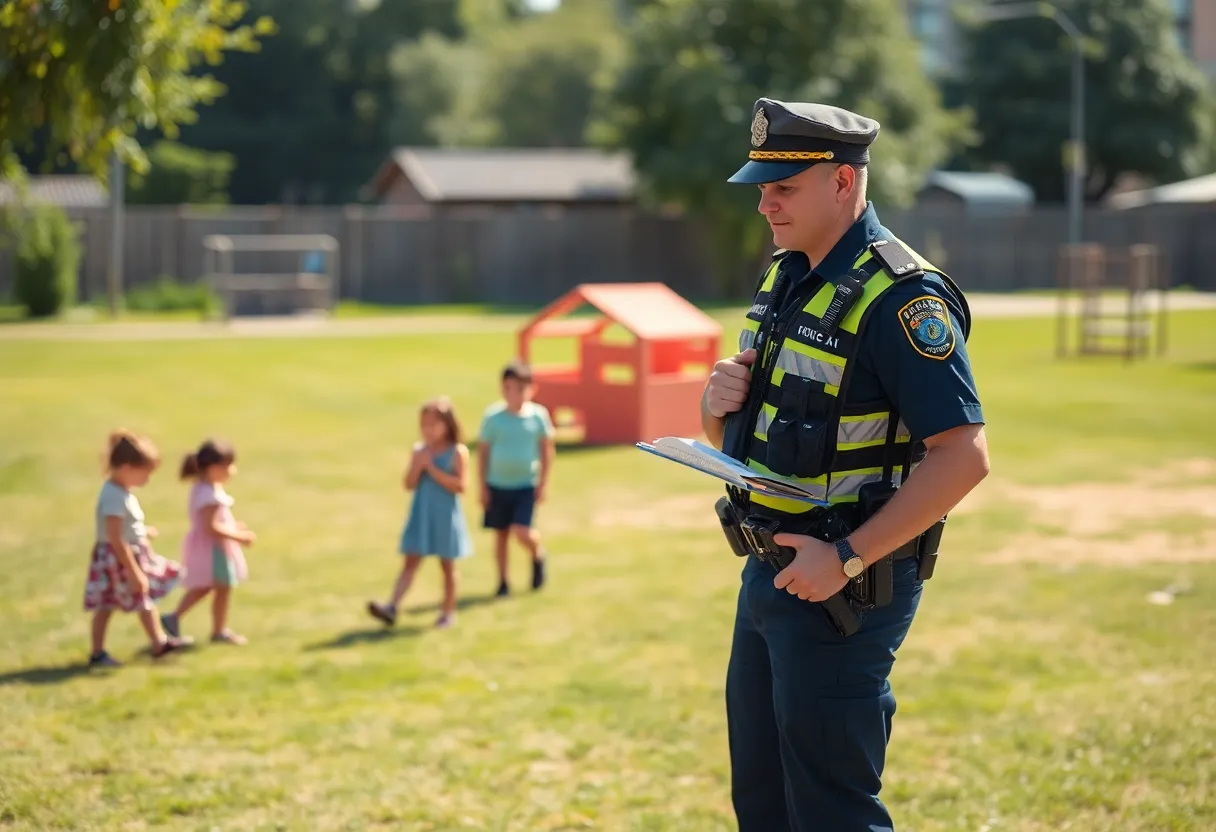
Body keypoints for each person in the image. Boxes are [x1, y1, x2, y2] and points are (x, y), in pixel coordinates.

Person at [700, 98, 991, 831]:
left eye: (783, 188)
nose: (765, 205)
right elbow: (758, 435)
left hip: (843, 596)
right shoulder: (788, 276)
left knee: (830, 811)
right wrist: (714, 407)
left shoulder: (903, 298)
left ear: (842, 182)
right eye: (762, 188)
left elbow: (963, 458)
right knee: (763, 803)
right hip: (769, 574)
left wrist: (848, 558)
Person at [83, 430, 191, 667]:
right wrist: (134, 571)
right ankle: (100, 653)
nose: (147, 479)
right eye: (145, 473)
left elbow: (125, 527)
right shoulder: (114, 496)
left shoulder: (121, 492)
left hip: (126, 554)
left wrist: (143, 532)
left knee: (139, 601)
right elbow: (114, 536)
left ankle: (158, 642)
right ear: (125, 467)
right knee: (110, 604)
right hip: (119, 559)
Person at [368, 397, 473, 629]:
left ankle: (447, 612)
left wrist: (432, 469)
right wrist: (418, 464)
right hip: (422, 515)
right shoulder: (420, 451)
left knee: (447, 567)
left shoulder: (458, 452)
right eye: (424, 425)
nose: (428, 430)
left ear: (448, 424)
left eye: (433, 424)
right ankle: (392, 606)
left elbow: (461, 486)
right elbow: (408, 484)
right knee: (410, 562)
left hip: (446, 517)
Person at [162, 439, 256, 645]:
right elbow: (211, 527)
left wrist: (233, 527)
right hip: (214, 550)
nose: (232, 470)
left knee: (210, 587)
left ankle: (179, 618)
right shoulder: (210, 494)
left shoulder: (202, 487)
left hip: (209, 547)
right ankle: (216, 630)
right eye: (229, 465)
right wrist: (240, 537)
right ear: (214, 468)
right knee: (221, 587)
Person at [477, 360, 555, 597]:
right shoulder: (493, 418)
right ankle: (502, 581)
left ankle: (537, 554)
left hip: (525, 485)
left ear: (531, 389)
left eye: (520, 389)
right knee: (500, 534)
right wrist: (482, 486)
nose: (515, 395)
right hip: (498, 484)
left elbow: (546, 450)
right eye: (509, 389)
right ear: (502, 389)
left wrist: (543, 482)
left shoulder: (538, 417)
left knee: (522, 530)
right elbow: (483, 453)